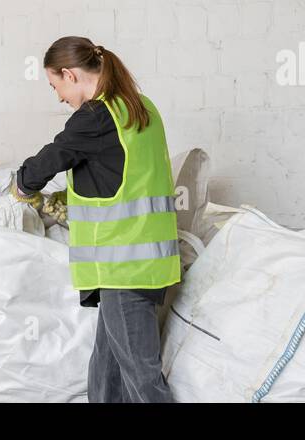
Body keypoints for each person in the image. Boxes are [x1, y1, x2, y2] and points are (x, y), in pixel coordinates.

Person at [11, 37, 181, 403]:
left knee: (141, 378)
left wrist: (21, 186)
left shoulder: (96, 116)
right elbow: (116, 178)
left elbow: (51, 158)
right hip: (145, 265)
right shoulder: (140, 107)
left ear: (70, 74)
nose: (59, 97)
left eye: (56, 86)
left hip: (122, 268)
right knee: (106, 372)